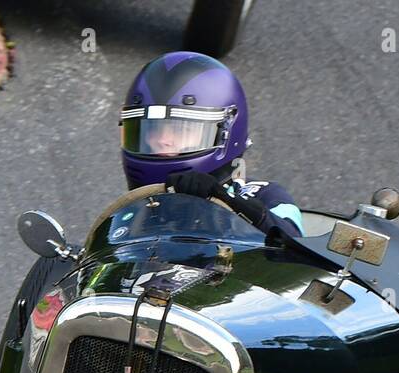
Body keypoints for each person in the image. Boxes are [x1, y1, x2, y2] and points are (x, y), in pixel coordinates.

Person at [119, 51, 303, 238]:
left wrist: (225, 199)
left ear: (226, 133)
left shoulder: (265, 194)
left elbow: (296, 243)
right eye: (152, 130)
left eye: (181, 130)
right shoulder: (127, 213)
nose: (163, 140)